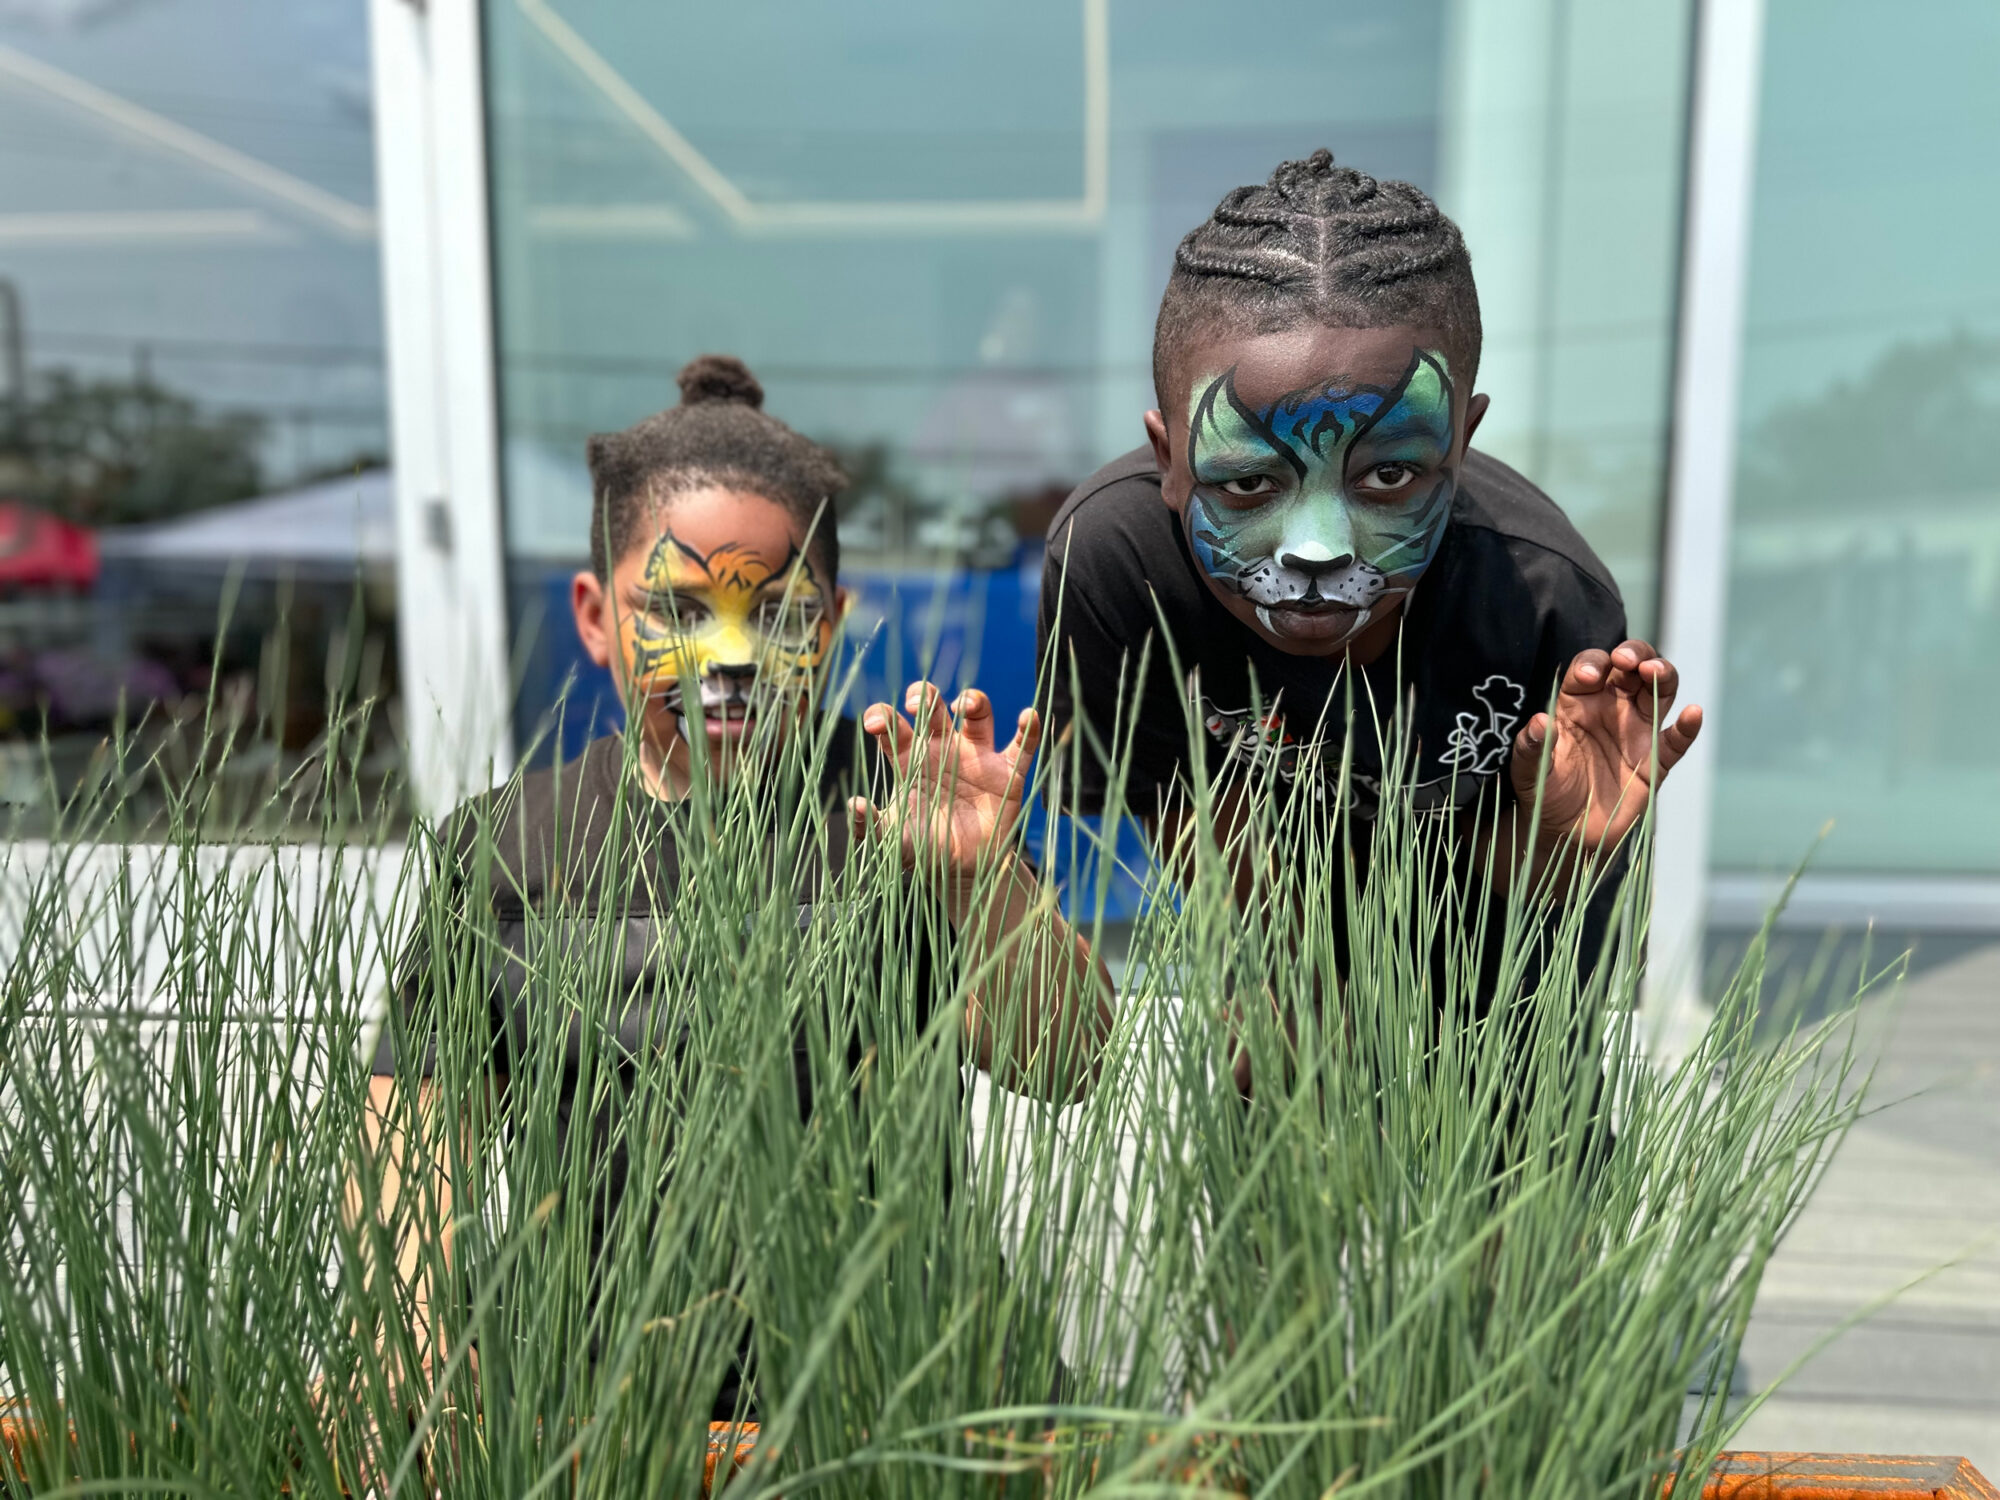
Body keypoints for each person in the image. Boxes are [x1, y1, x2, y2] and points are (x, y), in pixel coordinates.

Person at [361, 353, 1111, 1420]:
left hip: (901, 1399)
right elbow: (412, 1143)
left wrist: (981, 878)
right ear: (591, 613)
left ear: (835, 612)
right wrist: (418, 1361)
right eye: (674, 607)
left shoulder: (896, 807)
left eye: (777, 614)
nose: (731, 659)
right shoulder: (505, 847)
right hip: (601, 1411)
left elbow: (1068, 1060)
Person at [1037, 150, 1701, 1075]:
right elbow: (1168, 807)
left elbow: (1540, 945)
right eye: (1250, 482)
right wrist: (1304, 997)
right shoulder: (1120, 567)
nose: (1318, 550)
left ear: (1460, 444)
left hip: (1497, 1000)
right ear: (1170, 454)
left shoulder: (1542, 597)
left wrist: (1547, 850)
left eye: (1388, 476)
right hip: (1277, 969)